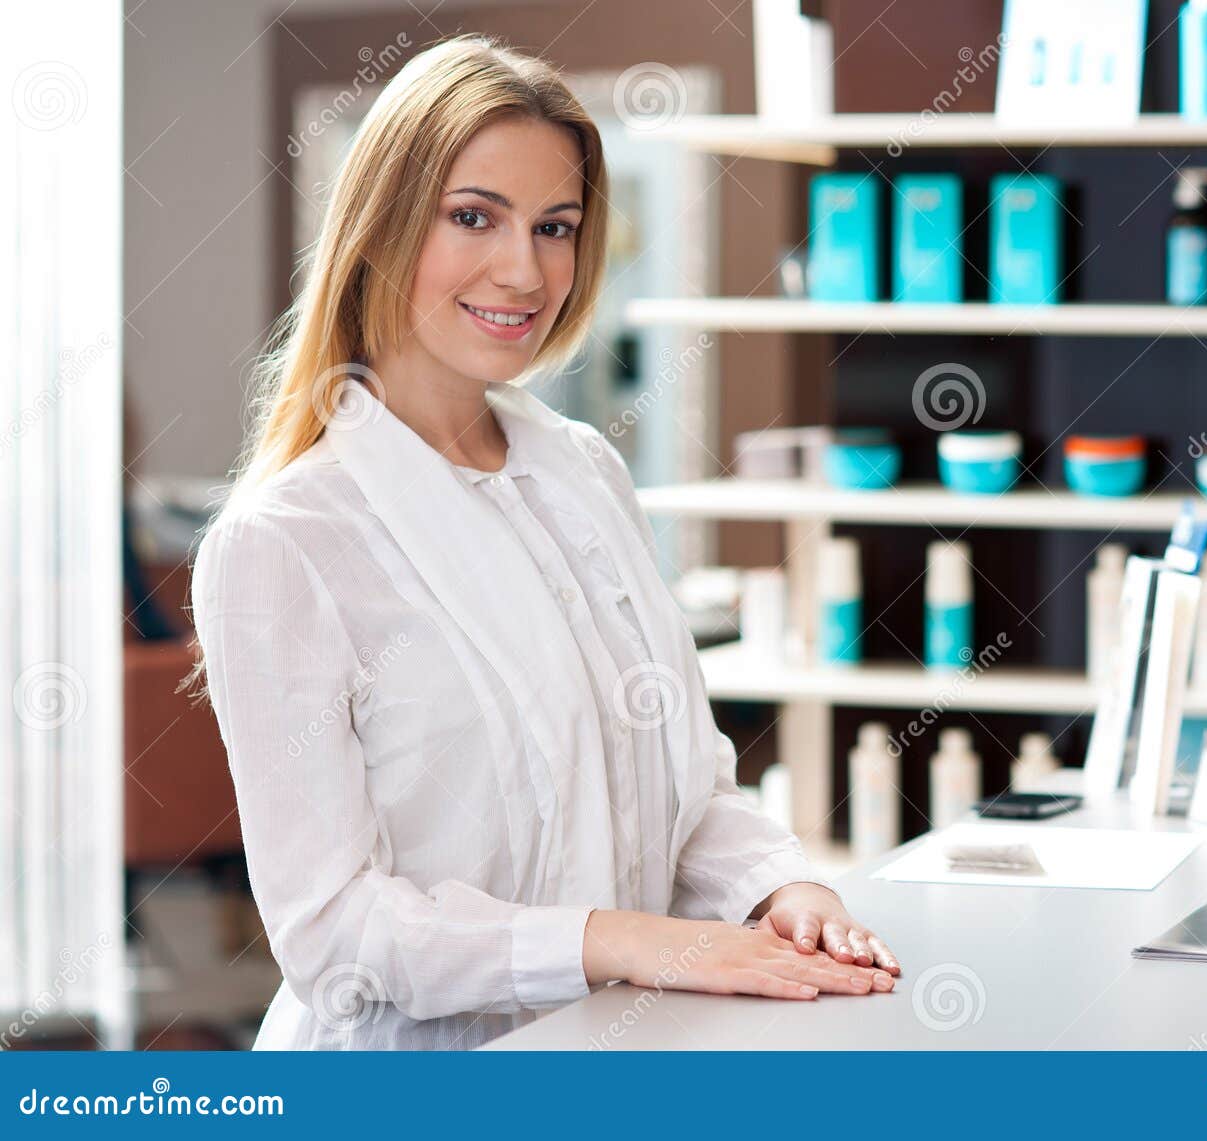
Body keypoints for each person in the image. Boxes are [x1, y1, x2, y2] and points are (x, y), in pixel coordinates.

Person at [188, 34, 898, 1050]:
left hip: (612, 1051)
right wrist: (619, 940)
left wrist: (782, 886)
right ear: (381, 226)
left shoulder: (584, 472)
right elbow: (333, 932)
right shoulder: (286, 542)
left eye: (555, 226)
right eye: (473, 216)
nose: (524, 270)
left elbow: (686, 792)